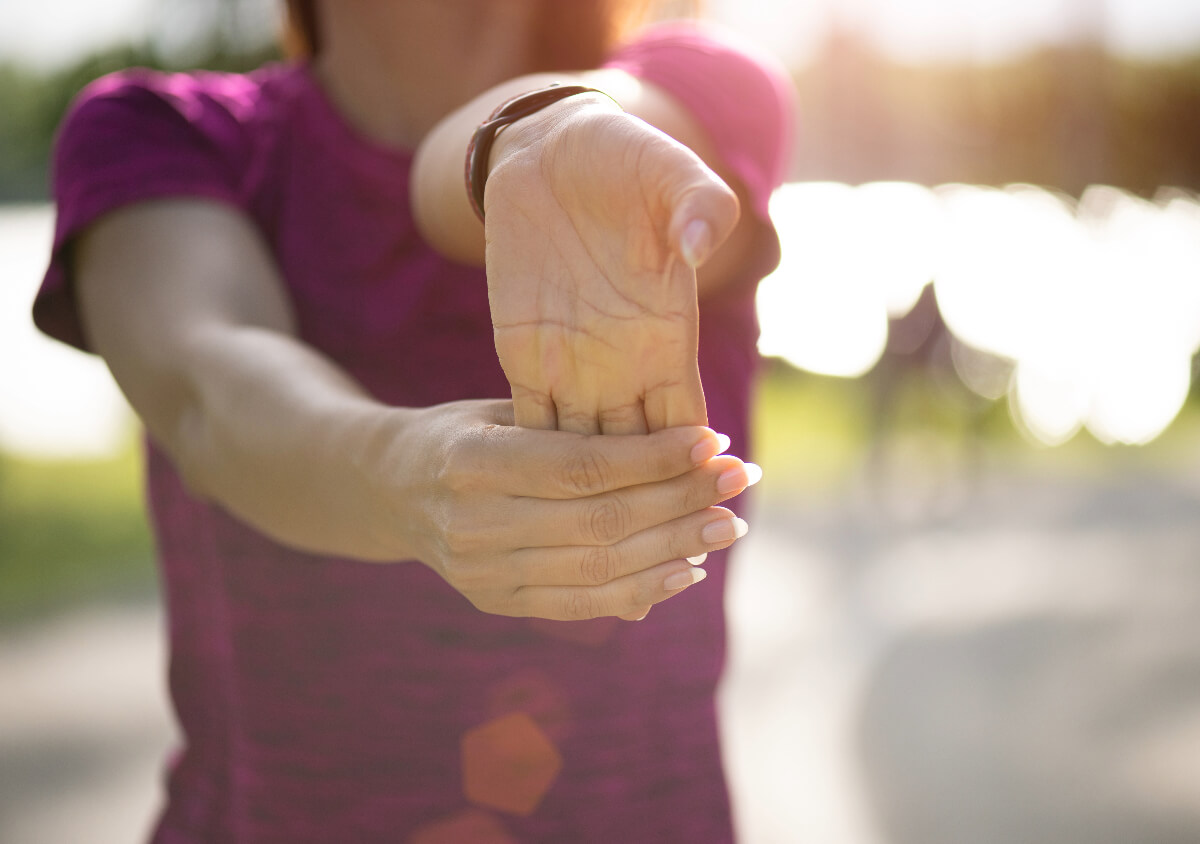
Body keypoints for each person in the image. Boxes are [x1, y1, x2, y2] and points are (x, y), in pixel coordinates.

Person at [33, 0, 795, 840]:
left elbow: (458, 181)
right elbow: (212, 392)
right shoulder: (159, 133)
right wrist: (411, 478)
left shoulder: (707, 89)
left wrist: (539, 136)